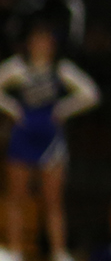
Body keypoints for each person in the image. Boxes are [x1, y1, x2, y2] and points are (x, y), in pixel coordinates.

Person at [0, 22, 98, 261]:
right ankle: (14, 250)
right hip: (23, 134)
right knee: (17, 196)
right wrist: (13, 109)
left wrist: (63, 109)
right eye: (37, 40)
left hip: (50, 137)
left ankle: (58, 251)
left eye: (46, 41)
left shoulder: (61, 69)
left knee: (53, 199)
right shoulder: (17, 67)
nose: (41, 45)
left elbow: (91, 94)